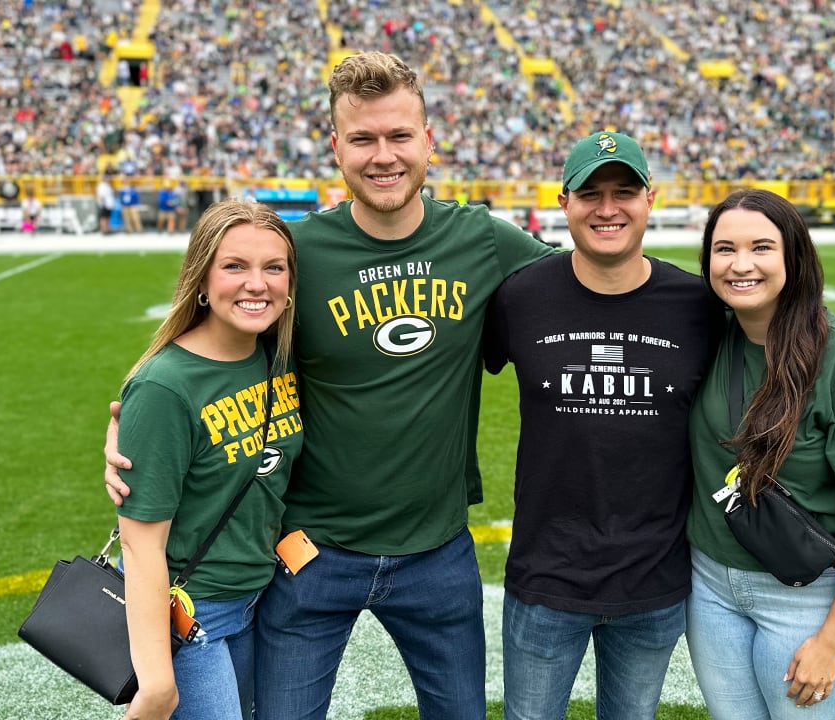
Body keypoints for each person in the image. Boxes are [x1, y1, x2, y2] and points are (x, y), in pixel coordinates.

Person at [105, 51, 553, 719]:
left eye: (399, 135)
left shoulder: (483, 240)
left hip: (438, 553)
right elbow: (208, 345)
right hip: (310, 554)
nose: (384, 156)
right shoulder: (296, 253)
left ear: (429, 141)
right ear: (335, 147)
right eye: (363, 139)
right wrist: (127, 417)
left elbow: (594, 296)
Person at [484, 131, 717, 719]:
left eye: (623, 192)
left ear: (650, 200)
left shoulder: (698, 306)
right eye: (590, 193)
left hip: (654, 581)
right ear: (564, 202)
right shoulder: (519, 297)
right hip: (546, 577)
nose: (607, 208)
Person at [685, 188, 835, 719]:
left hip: (807, 597)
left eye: (762, 247)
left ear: (794, 258)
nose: (741, 265)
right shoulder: (711, 336)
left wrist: (831, 641)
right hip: (710, 586)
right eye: (724, 249)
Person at [115, 199, 302, 720]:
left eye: (274, 267)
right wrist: (155, 683)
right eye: (234, 266)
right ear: (201, 277)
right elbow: (139, 540)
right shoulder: (164, 386)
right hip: (190, 616)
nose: (256, 283)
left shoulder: (280, 356)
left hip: (261, 602)